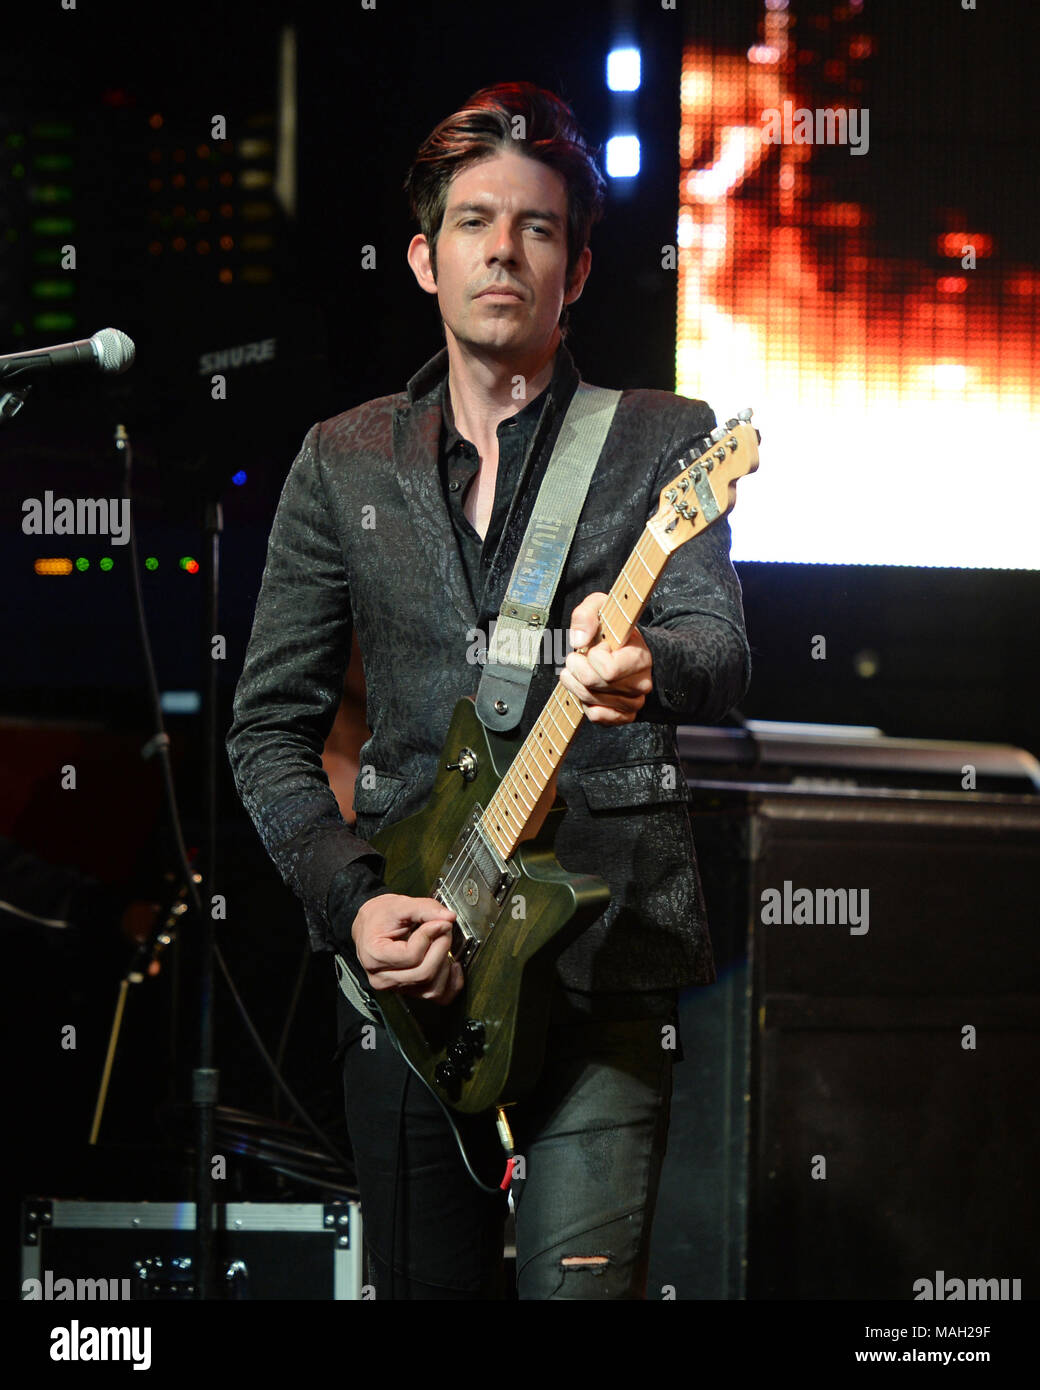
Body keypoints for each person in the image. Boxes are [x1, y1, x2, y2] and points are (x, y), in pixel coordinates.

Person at [226, 81, 750, 1300]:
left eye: (537, 227)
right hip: (416, 973)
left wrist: (642, 668)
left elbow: (716, 650)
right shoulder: (342, 457)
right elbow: (266, 729)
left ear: (573, 271)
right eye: (473, 223)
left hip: (602, 958)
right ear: (423, 257)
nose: (503, 250)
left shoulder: (662, 437)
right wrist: (352, 903)